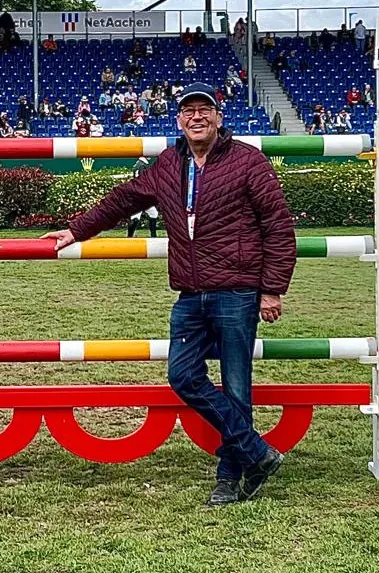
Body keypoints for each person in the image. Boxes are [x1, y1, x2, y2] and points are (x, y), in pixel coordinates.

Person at [42, 83, 295, 507]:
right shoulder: (168, 164)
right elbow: (122, 200)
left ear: (218, 117)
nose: (196, 117)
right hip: (191, 294)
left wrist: (272, 289)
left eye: (204, 110)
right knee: (182, 376)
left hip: (237, 292)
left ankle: (229, 478)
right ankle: (257, 452)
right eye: (188, 111)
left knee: (237, 388)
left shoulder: (248, 161)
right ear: (179, 119)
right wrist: (77, 228)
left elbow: (278, 227)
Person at [126, 156, 160, 238]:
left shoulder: (138, 164)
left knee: (152, 213)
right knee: (148, 214)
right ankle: (152, 236)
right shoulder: (142, 166)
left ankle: (130, 237)